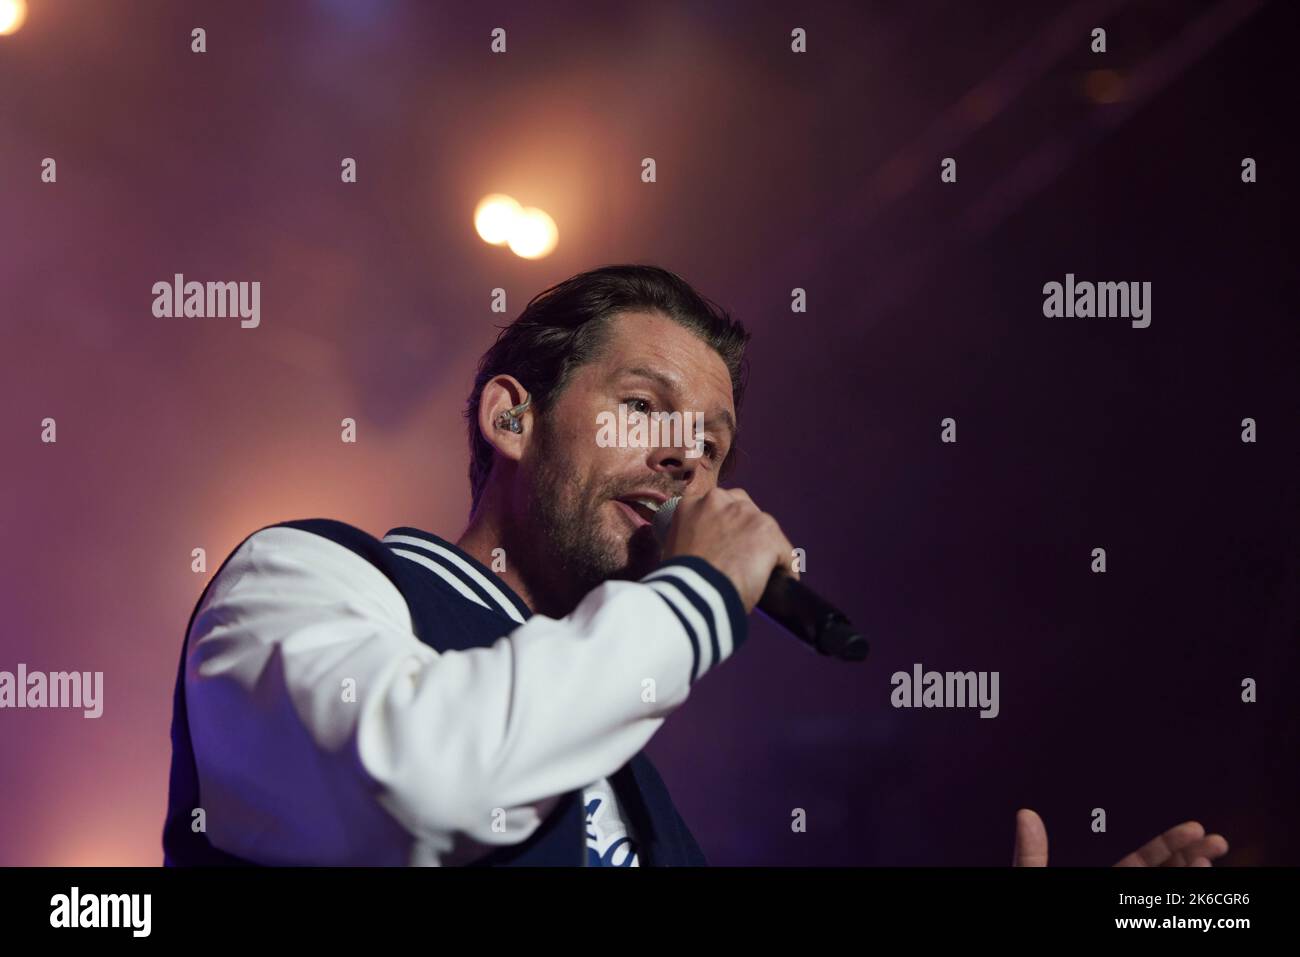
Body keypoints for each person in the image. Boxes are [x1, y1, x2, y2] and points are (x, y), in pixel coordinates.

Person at [162, 264, 1228, 868]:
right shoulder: (310, 578)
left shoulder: (637, 794)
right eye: (643, 408)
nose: (686, 457)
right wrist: (700, 597)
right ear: (510, 416)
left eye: (712, 444)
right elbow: (419, 781)